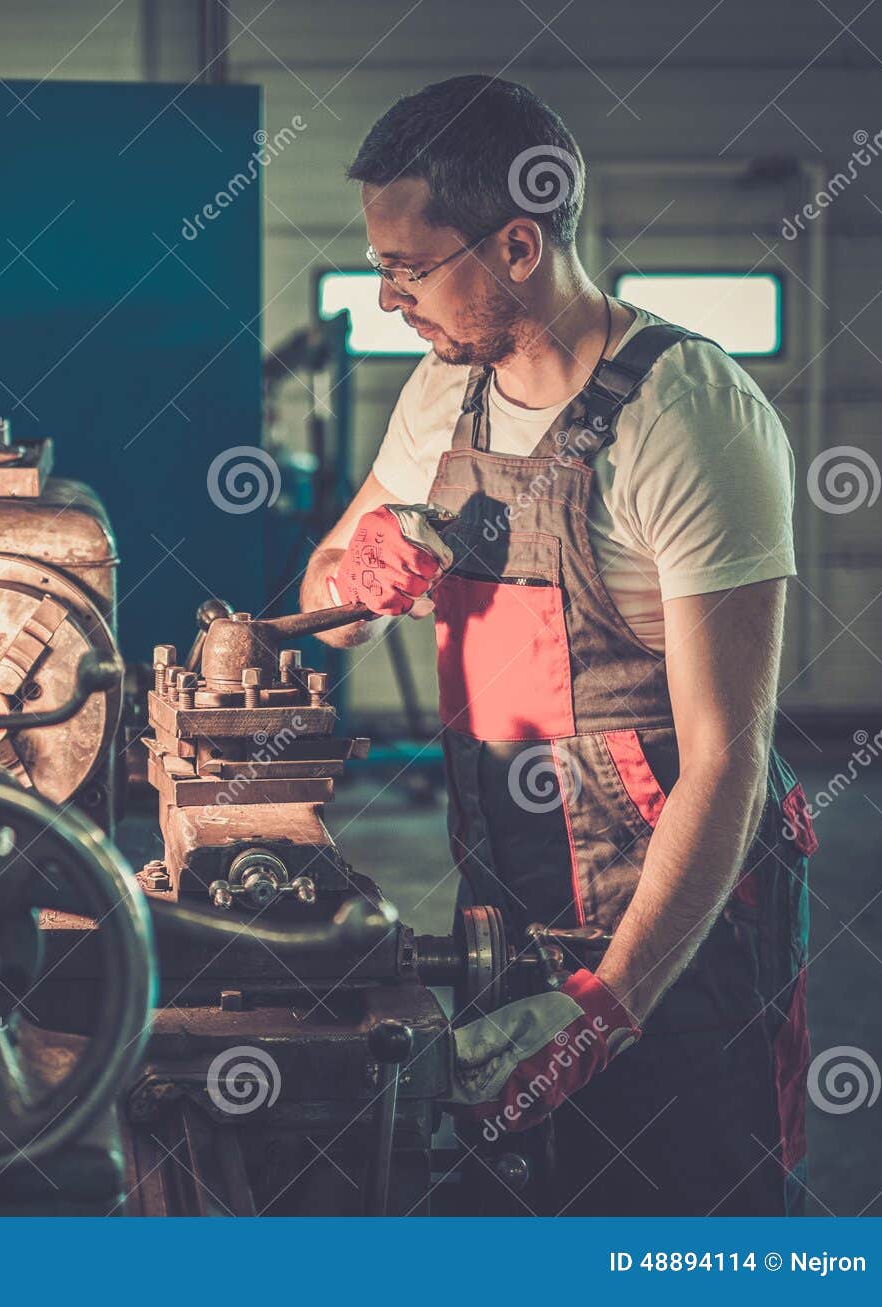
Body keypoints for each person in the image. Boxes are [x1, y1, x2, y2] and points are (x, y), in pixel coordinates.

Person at [301, 76, 813, 1215]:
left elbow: (728, 751)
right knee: (523, 1204)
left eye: (407, 267)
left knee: (687, 1203)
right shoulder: (444, 395)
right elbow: (321, 591)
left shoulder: (686, 418)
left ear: (519, 243)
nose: (388, 299)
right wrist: (360, 566)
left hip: (678, 916)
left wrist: (614, 999)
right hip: (504, 887)